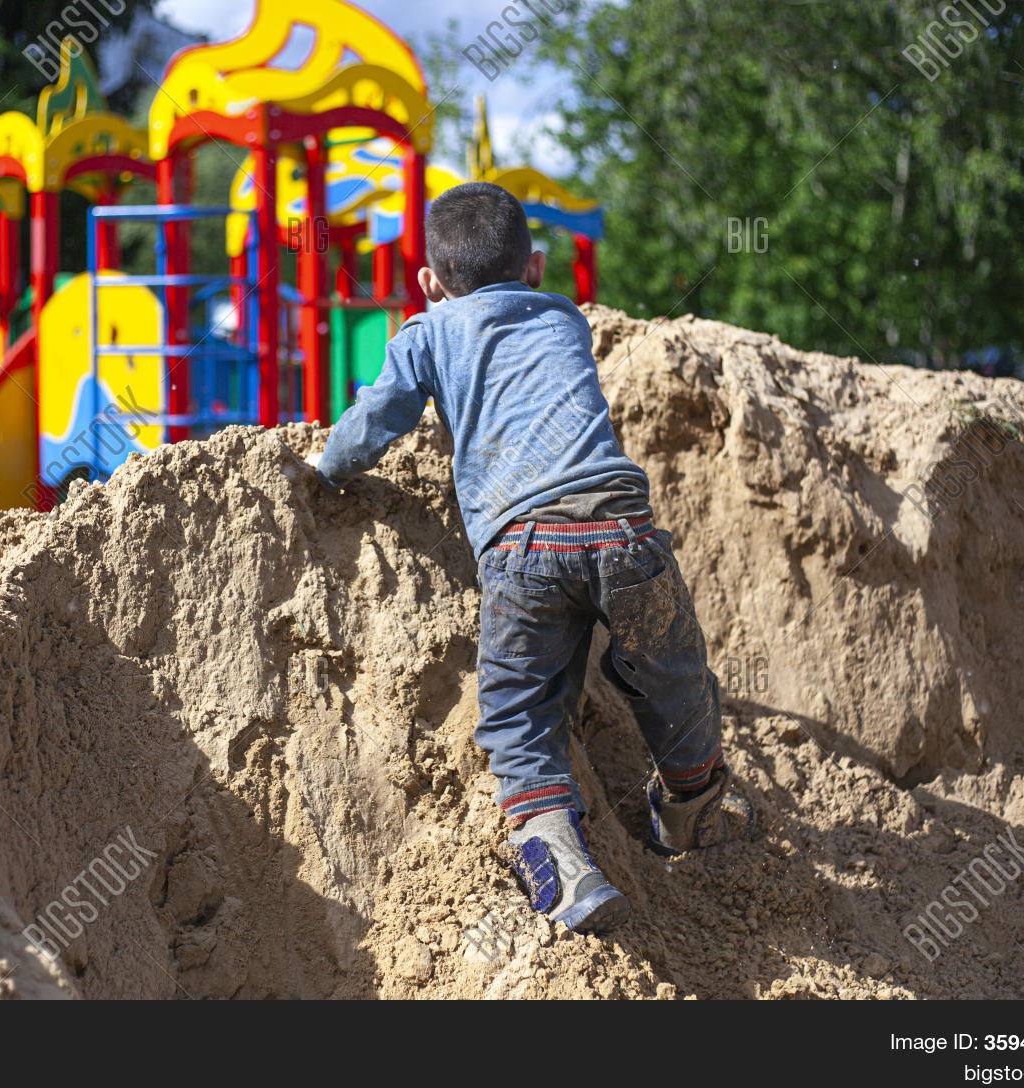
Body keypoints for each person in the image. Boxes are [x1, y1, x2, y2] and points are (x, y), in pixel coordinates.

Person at [311, 183, 750, 932]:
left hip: (524, 550)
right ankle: (689, 809)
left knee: (517, 713)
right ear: (538, 267)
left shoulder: (425, 331)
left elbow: (375, 421)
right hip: (626, 533)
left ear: (427, 283)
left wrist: (327, 469)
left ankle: (559, 858)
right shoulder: (563, 317)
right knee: (676, 676)